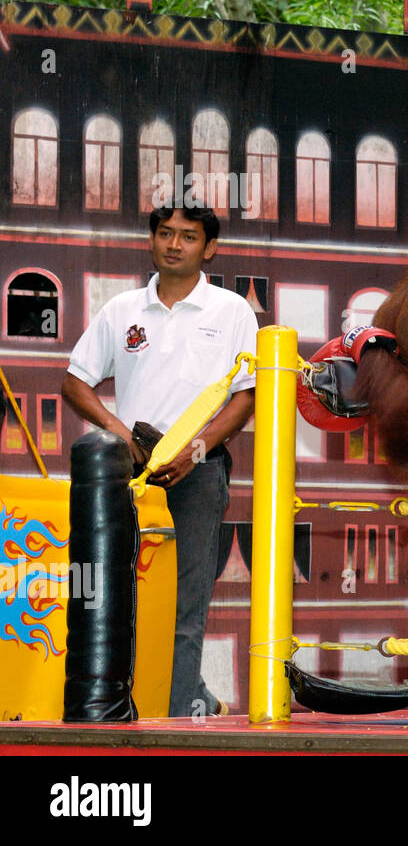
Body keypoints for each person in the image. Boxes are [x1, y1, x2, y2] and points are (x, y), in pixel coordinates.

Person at [62, 204, 257, 718]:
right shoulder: (122, 310)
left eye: (188, 237)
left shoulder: (231, 311)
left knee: (184, 607)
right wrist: (120, 432)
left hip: (199, 469)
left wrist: (195, 452)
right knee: (115, 597)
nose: (174, 244)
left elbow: (244, 397)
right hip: (130, 475)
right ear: (150, 241)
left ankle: (175, 725)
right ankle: (185, 700)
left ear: (208, 248)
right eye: (165, 234)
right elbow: (75, 382)